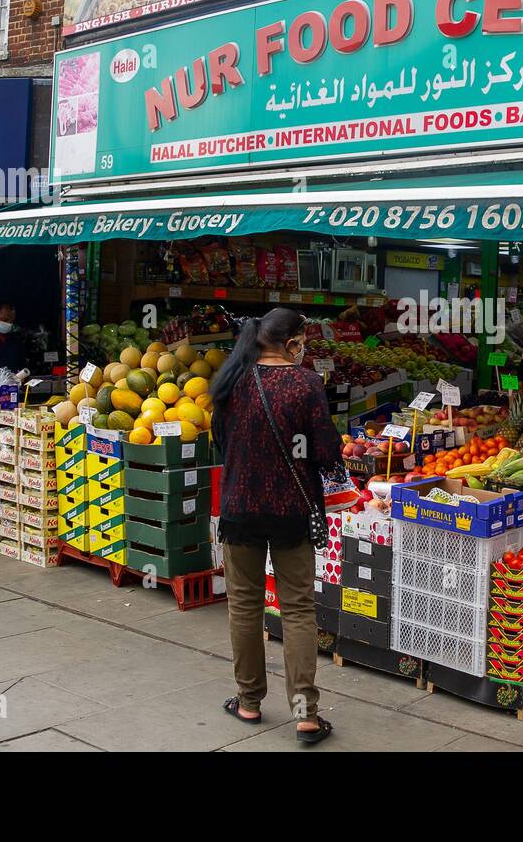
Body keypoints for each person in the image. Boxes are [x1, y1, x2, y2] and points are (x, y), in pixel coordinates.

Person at [211, 308, 343, 745]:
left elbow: (221, 442)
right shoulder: (306, 385)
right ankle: (305, 714)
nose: (305, 348)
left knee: (244, 606)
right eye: (303, 340)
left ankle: (249, 701)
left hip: (239, 510)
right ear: (290, 343)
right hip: (291, 513)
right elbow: (324, 451)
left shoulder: (232, 382)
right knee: (298, 609)